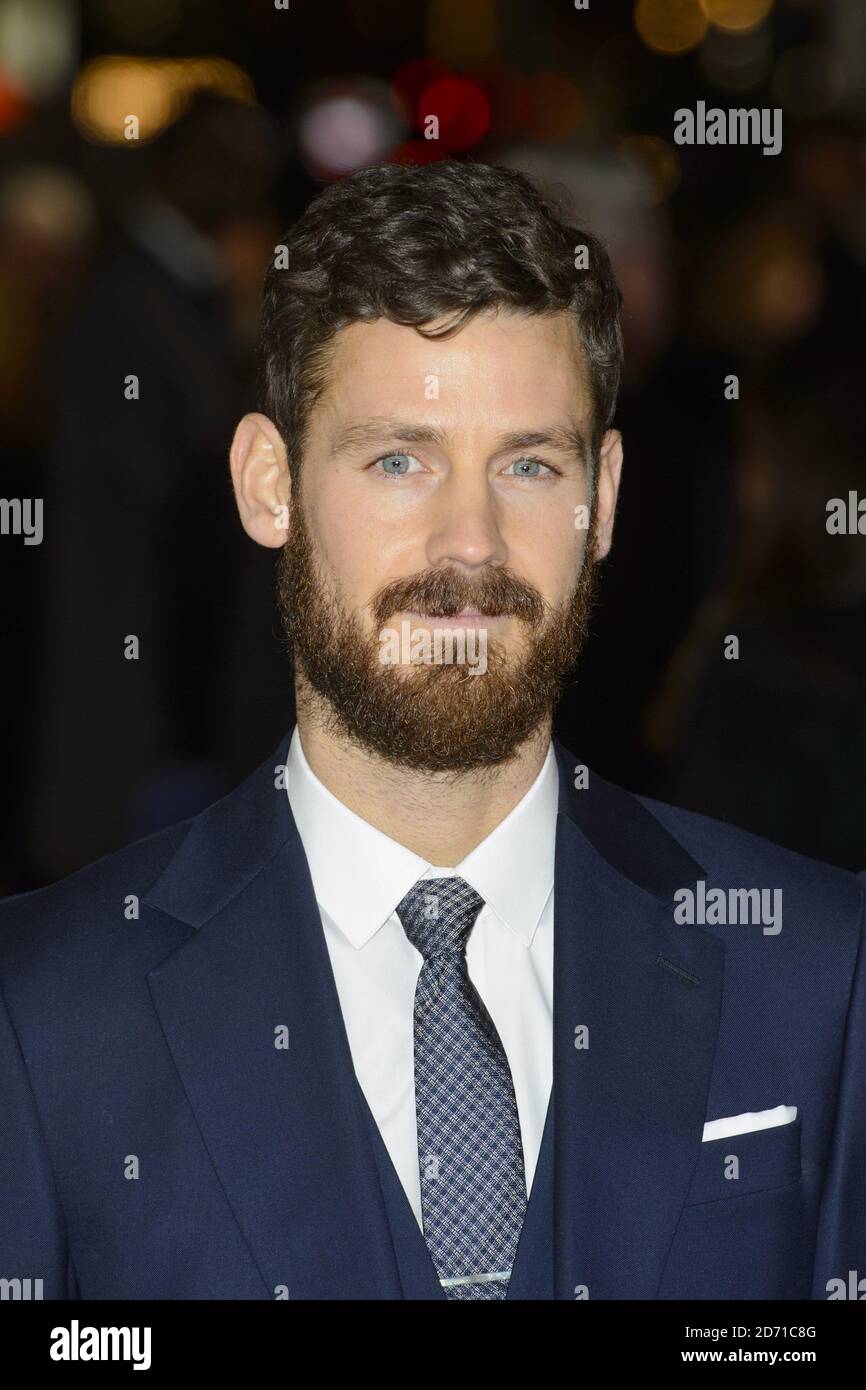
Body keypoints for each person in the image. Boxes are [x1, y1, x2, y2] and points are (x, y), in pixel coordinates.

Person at [0, 159, 863, 1301]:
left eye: (527, 463)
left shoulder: (814, 968)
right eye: (399, 459)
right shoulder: (45, 1010)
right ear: (269, 484)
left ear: (598, 501)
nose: (471, 544)